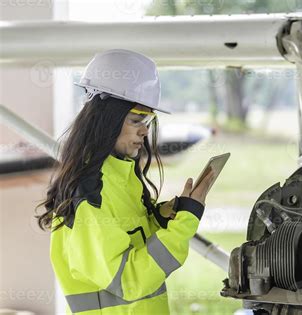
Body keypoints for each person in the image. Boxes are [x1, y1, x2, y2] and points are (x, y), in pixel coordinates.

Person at [36, 49, 214, 314]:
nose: (145, 130)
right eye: (136, 119)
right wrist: (185, 223)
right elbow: (129, 281)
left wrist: (162, 217)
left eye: (148, 119)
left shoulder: (122, 179)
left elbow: (133, 244)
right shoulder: (89, 194)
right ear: (106, 119)